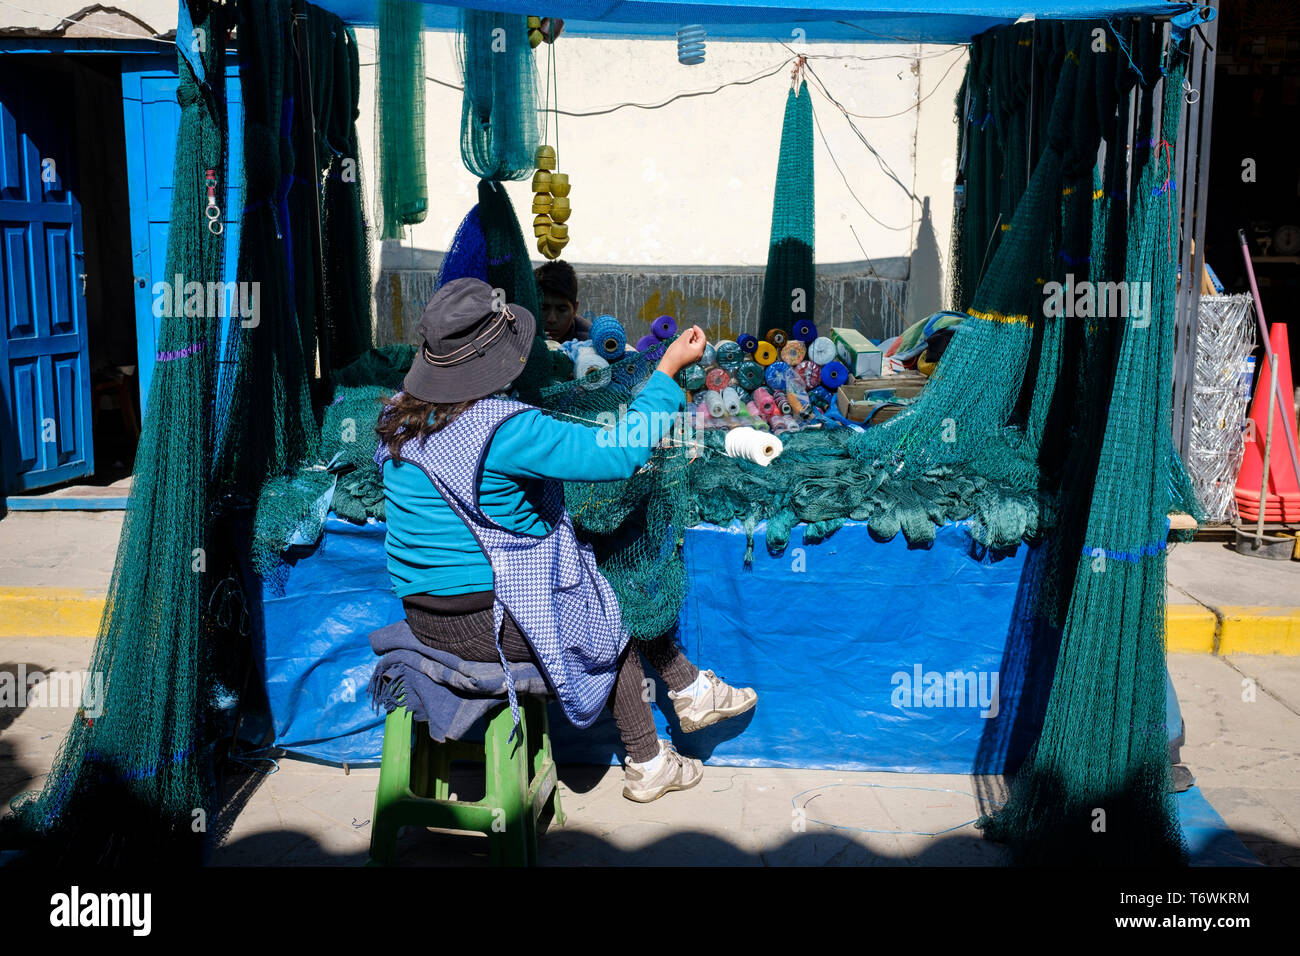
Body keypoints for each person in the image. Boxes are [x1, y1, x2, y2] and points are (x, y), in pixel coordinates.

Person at [375, 277, 756, 803]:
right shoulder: (506, 429)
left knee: (588, 577)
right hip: (489, 628)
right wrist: (667, 372)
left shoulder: (395, 416)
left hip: (426, 618)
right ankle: (650, 756)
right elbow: (616, 453)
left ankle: (687, 693)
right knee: (614, 597)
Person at [534, 259, 591, 343]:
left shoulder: (590, 342)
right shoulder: (517, 333)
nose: (552, 319)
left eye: (561, 310)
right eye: (543, 308)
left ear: (575, 309)